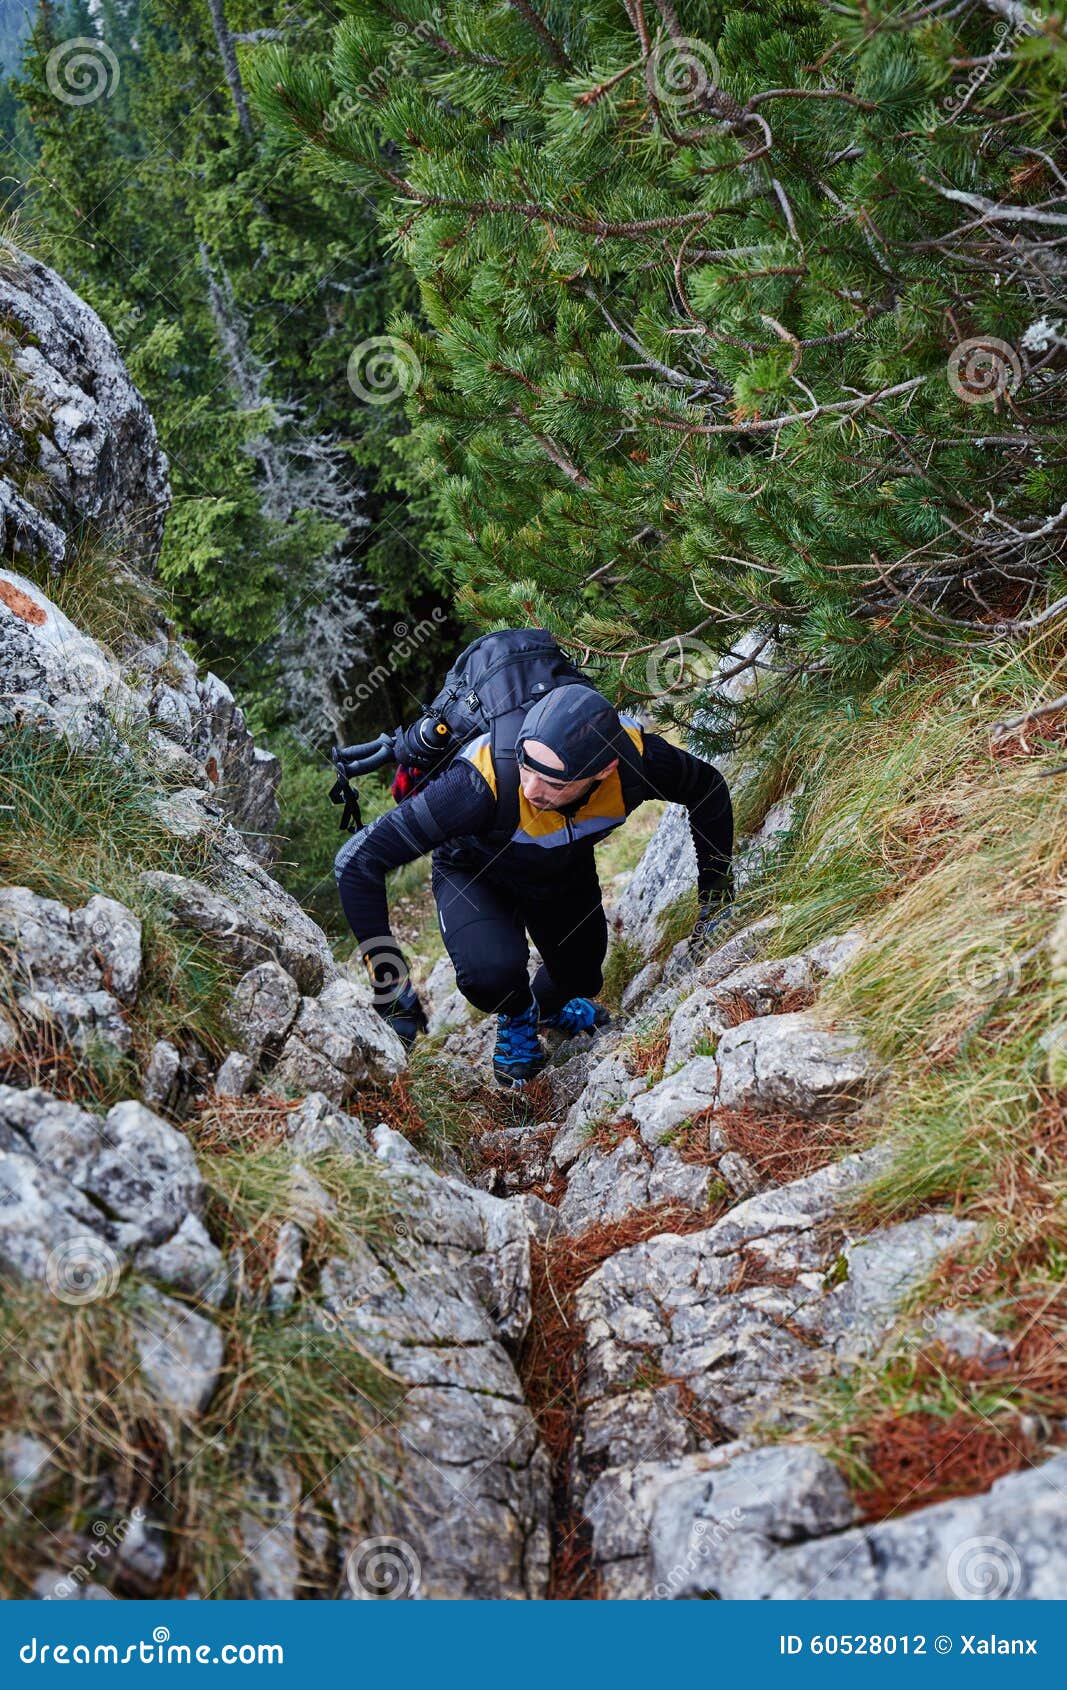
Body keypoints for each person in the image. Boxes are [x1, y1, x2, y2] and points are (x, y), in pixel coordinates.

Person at [335, 683, 733, 1086]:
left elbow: (709, 790)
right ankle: (517, 1015)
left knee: (582, 978)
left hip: (560, 869)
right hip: (472, 872)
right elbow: (357, 861)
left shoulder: (635, 762)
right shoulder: (479, 784)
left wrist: (715, 901)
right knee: (490, 977)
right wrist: (390, 984)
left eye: (554, 783)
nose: (531, 790)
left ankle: (541, 1008)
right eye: (527, 766)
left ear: (603, 771)